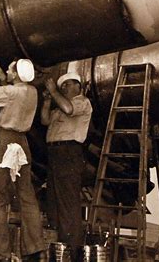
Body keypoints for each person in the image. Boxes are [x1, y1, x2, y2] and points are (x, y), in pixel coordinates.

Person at [0, 50, 46, 262]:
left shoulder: (13, 93)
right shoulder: (32, 92)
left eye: (9, 69)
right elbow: (13, 90)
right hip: (23, 144)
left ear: (15, 75)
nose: (6, 70)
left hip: (7, 143)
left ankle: (1, 254)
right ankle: (36, 248)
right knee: (27, 197)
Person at [40, 72, 93, 262]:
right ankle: (60, 251)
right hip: (55, 154)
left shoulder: (81, 102)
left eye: (67, 85)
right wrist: (47, 101)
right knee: (54, 200)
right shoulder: (60, 106)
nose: (64, 89)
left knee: (68, 204)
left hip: (69, 153)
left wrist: (53, 91)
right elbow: (45, 121)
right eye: (62, 87)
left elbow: (69, 109)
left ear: (77, 86)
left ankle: (72, 253)